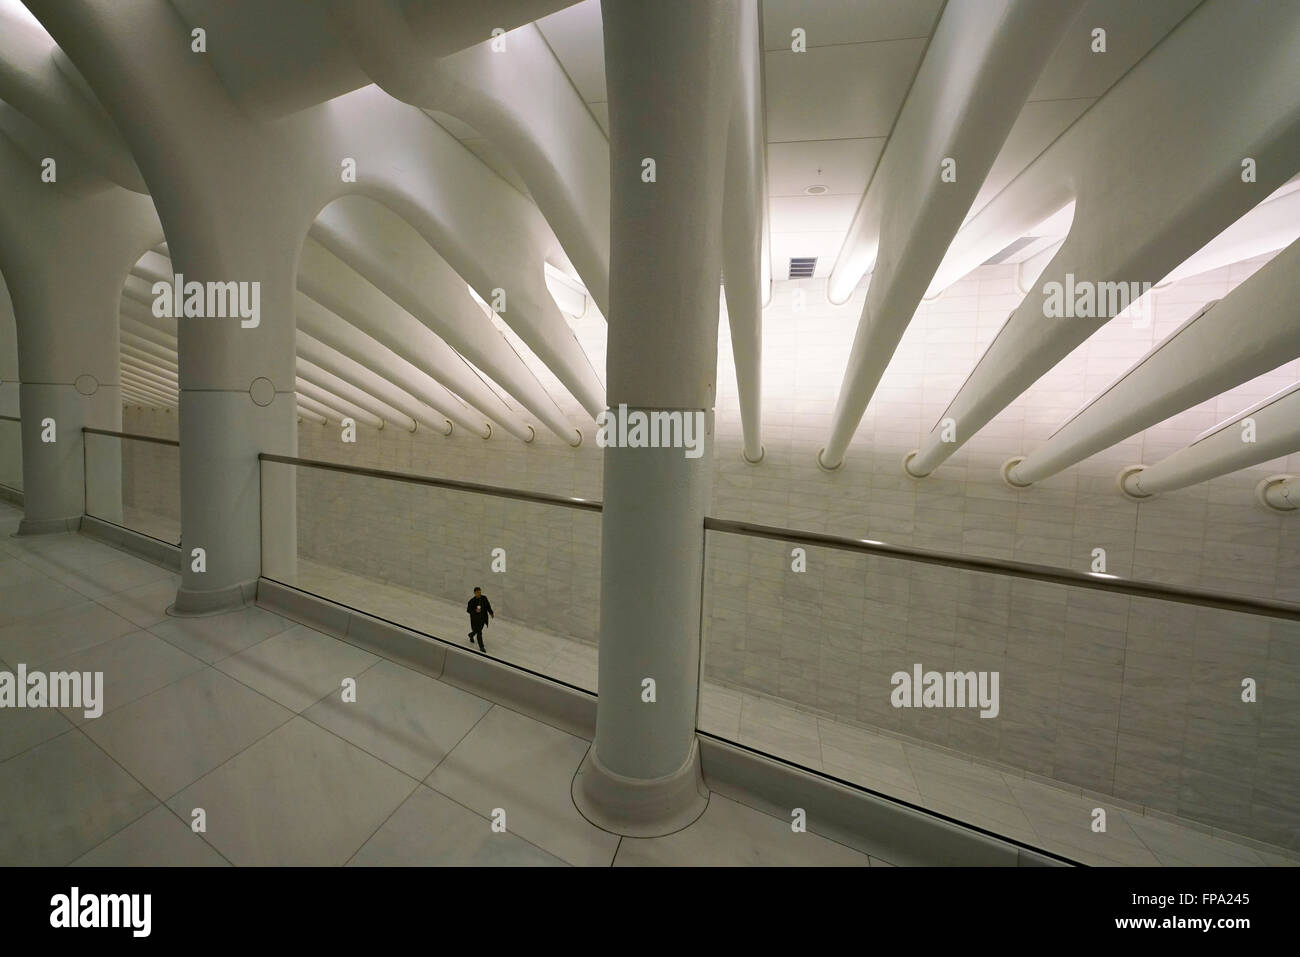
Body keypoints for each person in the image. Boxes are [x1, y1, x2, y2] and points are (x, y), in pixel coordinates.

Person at [466, 587, 493, 653]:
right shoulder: (471, 601)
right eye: (478, 592)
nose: (479, 593)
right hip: (475, 620)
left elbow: (488, 606)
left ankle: (471, 635)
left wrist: (491, 612)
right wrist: (475, 611)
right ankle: (481, 647)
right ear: (475, 593)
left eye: (480, 592)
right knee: (479, 633)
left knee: (477, 630)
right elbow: (468, 610)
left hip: (483, 619)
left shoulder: (484, 598)